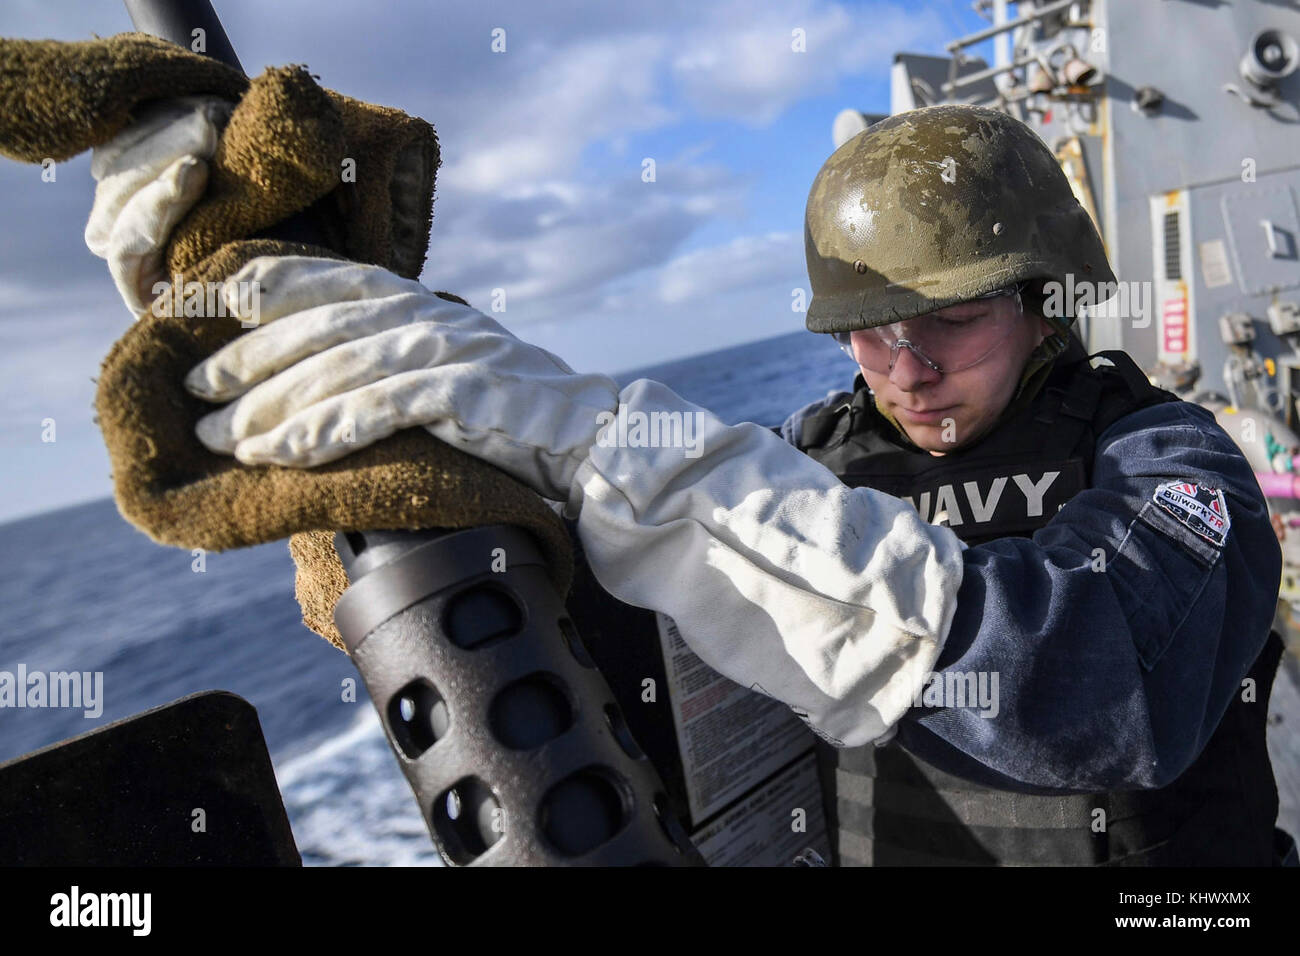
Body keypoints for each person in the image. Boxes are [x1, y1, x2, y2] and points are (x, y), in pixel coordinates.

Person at [86, 100, 1289, 866]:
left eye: (954, 321)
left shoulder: (1174, 467)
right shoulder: (817, 465)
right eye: (866, 334)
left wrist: (600, 441)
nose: (904, 370)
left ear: (1040, 300)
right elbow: (626, 659)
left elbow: (1090, 678)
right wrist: (416, 502)